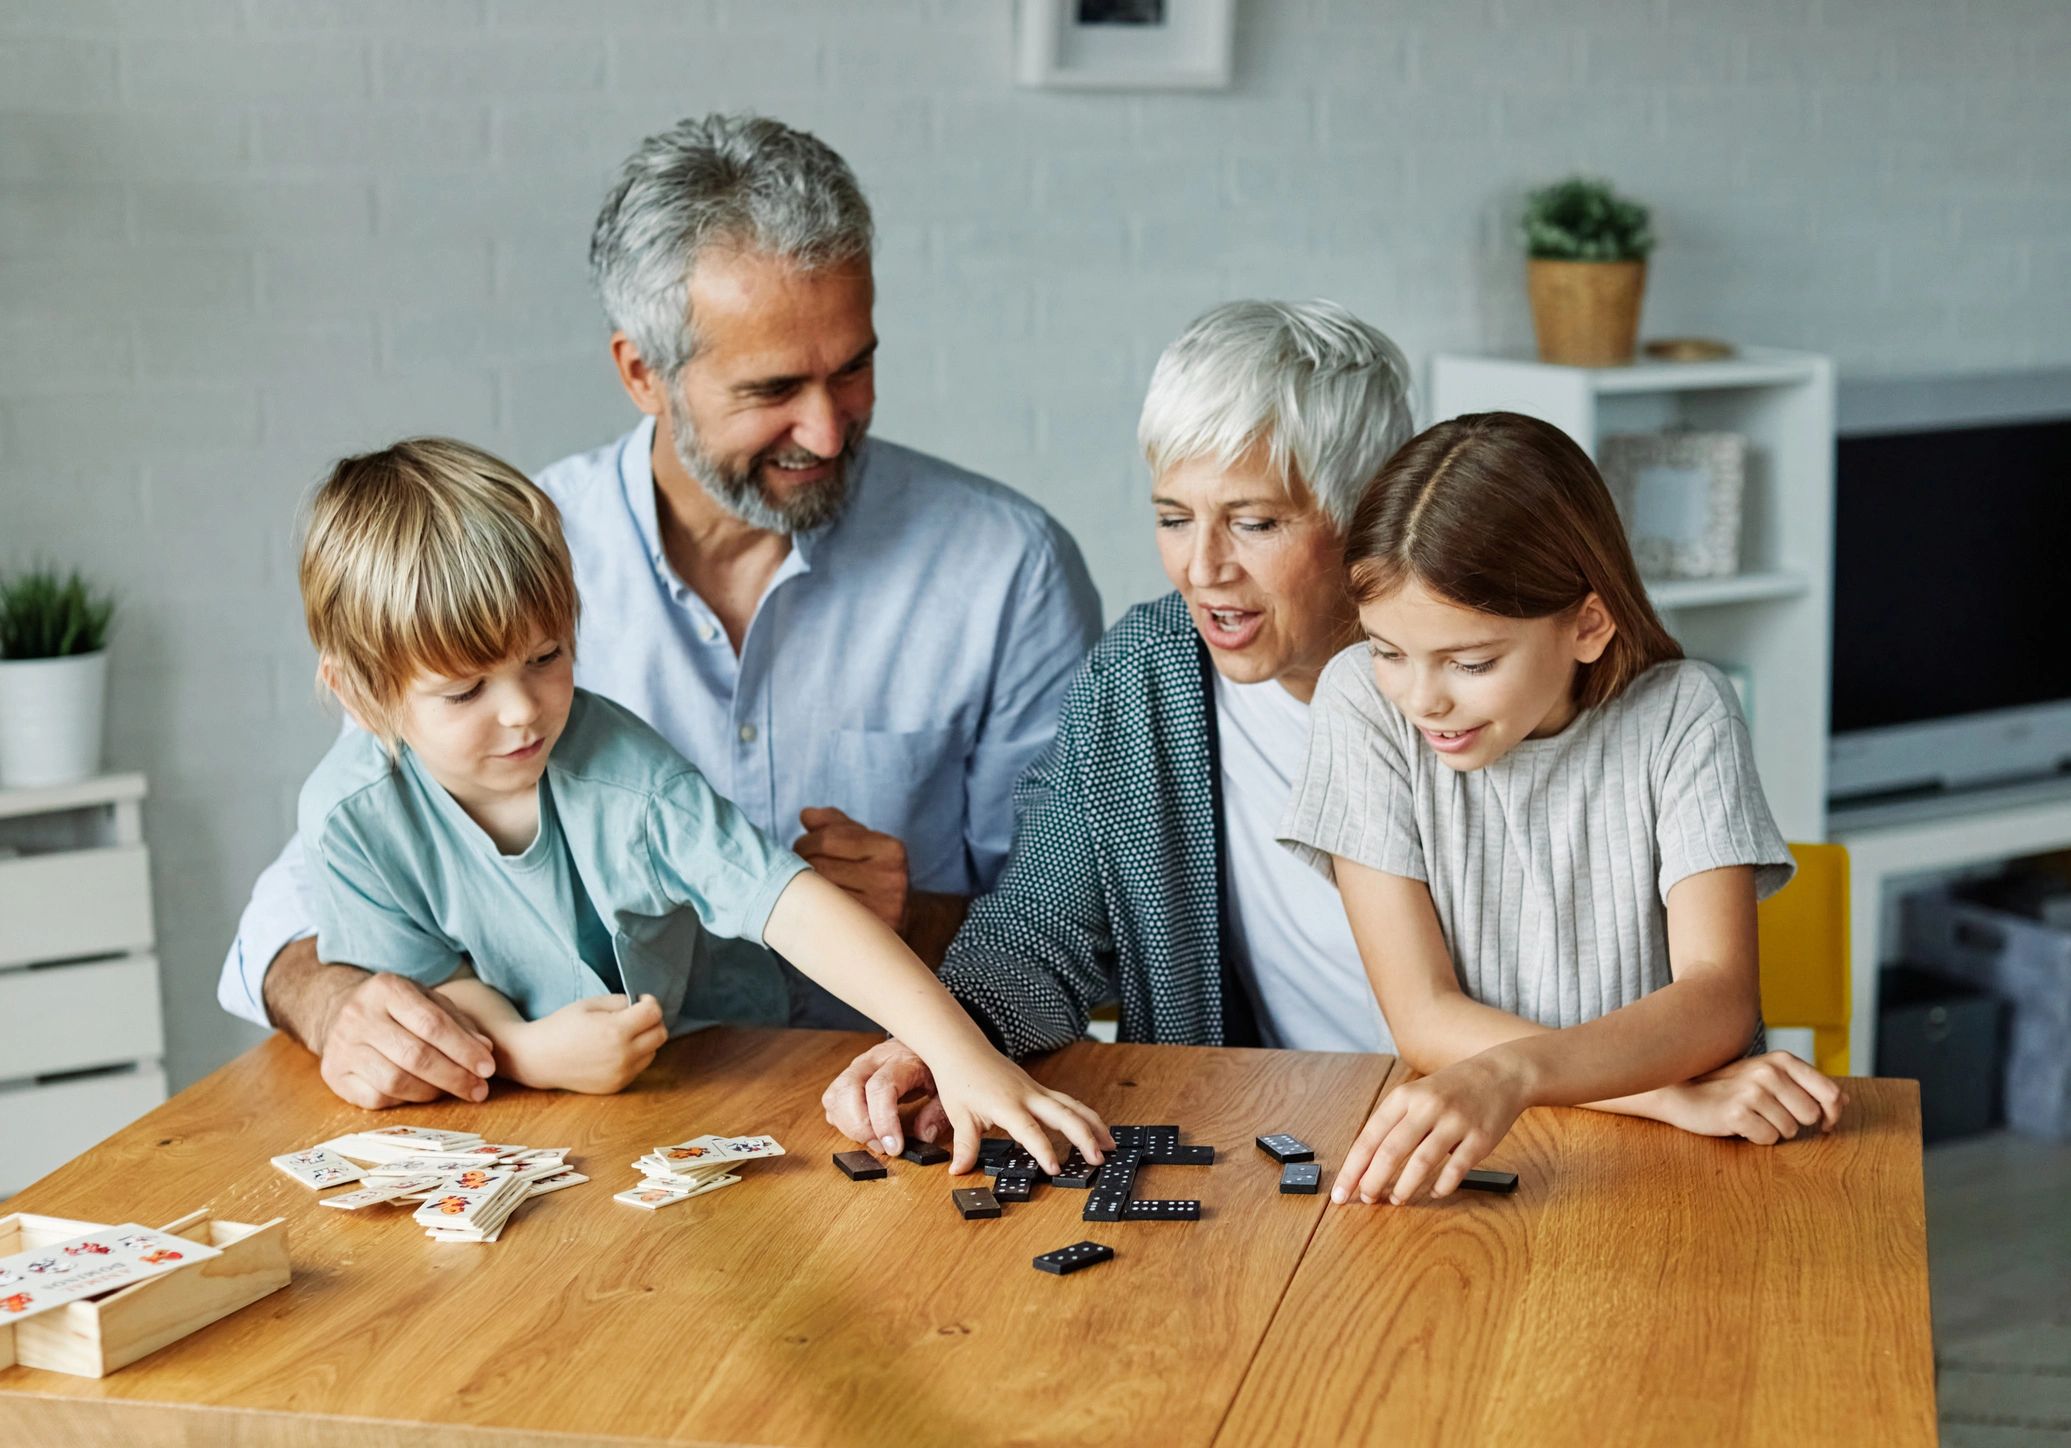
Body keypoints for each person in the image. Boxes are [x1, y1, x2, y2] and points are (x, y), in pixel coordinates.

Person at [219, 114, 1101, 1110]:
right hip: (590, 1124)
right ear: (641, 371)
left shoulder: (1006, 567)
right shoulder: (508, 564)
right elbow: (317, 889)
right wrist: (336, 998)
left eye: (851, 367)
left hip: (887, 1100)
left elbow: (1077, 910)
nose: (825, 424)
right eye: (772, 387)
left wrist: (925, 918)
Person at [293, 436, 1108, 1172]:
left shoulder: (627, 774)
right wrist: (523, 1051)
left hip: (723, 1064)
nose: (522, 711)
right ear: (361, 698)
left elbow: (796, 908)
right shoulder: (348, 818)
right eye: (465, 690)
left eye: (546, 656)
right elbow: (428, 971)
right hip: (521, 1116)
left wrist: (962, 1055)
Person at [822, 300, 1416, 1154]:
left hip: (1497, 1126)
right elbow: (1039, 927)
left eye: (1253, 522)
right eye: (1174, 517)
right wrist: (940, 1045)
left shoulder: (1472, 687)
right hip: (1275, 1140)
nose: (1202, 568)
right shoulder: (1144, 675)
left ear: (1370, 512)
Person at [1276, 411, 1847, 1208]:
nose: (1422, 698)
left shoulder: (1685, 712)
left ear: (1587, 622)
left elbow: (1717, 998)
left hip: (1690, 1170)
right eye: (1387, 650)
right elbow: (1422, 1016)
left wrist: (1513, 1074)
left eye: (1471, 662)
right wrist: (1665, 1097)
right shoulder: (1359, 705)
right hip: (1489, 1149)